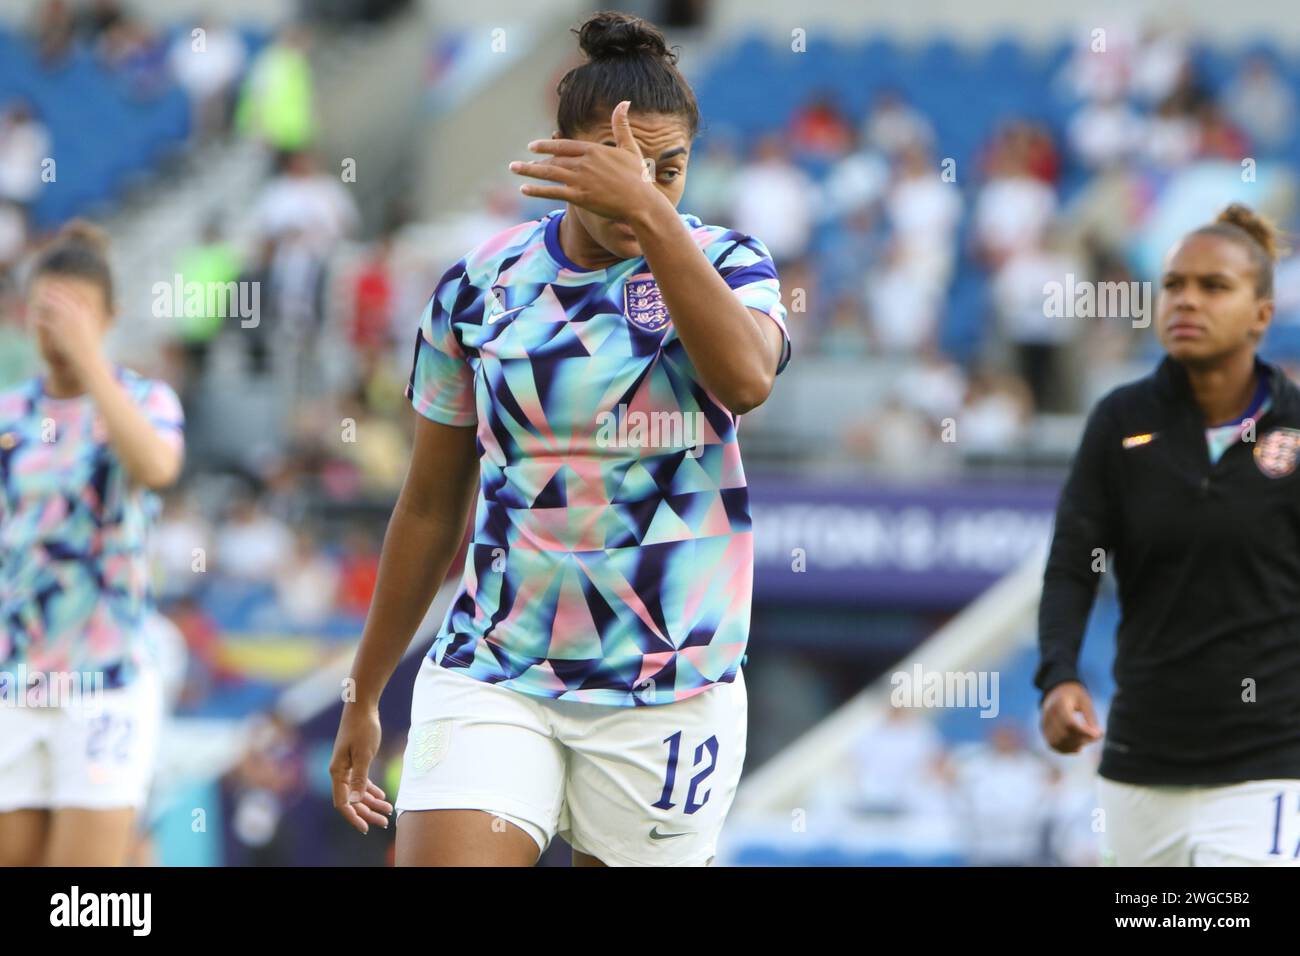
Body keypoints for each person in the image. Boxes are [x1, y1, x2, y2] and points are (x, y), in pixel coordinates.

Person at [330, 10, 790, 867]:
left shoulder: (729, 263)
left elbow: (746, 381)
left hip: (667, 689)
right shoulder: (480, 286)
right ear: (561, 154)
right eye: (622, 165)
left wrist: (650, 217)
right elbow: (430, 506)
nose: (647, 186)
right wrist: (366, 688)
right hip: (495, 672)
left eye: (670, 169)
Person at [1037, 204, 1300, 866]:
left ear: (1261, 314)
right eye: (1175, 284)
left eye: (1214, 287)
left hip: (1271, 765)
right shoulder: (1120, 422)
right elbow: (1074, 564)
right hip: (1138, 763)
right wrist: (1059, 677)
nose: (1187, 300)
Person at [0, 221, 185, 866]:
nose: (59, 326)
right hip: (16, 680)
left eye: (78, 312)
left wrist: (93, 366)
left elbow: (157, 467)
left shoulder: (143, 400)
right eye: (48, 309)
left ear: (110, 317)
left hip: (104, 684)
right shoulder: (10, 416)